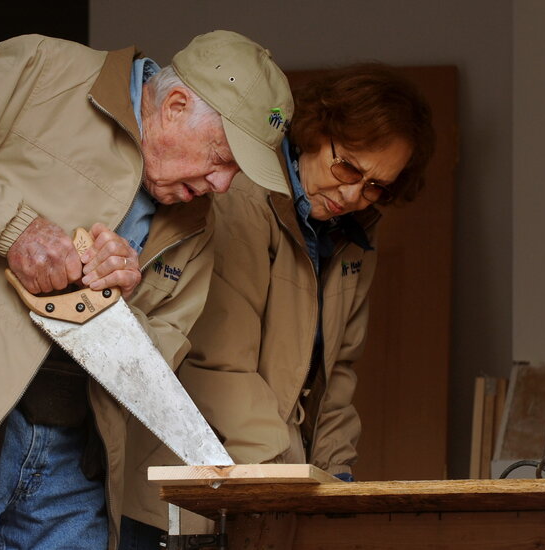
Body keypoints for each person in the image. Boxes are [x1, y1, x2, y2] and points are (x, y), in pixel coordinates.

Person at [0, 30, 293, 549]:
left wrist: (121, 303)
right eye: (220, 157)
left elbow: (163, 347)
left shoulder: (199, 222)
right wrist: (15, 228)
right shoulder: (49, 69)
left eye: (234, 172)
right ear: (175, 105)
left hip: (73, 462)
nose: (222, 185)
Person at [119, 63, 435, 547]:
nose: (354, 195)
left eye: (376, 186)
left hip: (267, 486)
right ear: (315, 130)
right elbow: (218, 367)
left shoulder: (354, 233)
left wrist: (336, 482)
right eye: (347, 166)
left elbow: (337, 373)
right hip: (192, 488)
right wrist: (293, 486)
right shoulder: (238, 196)